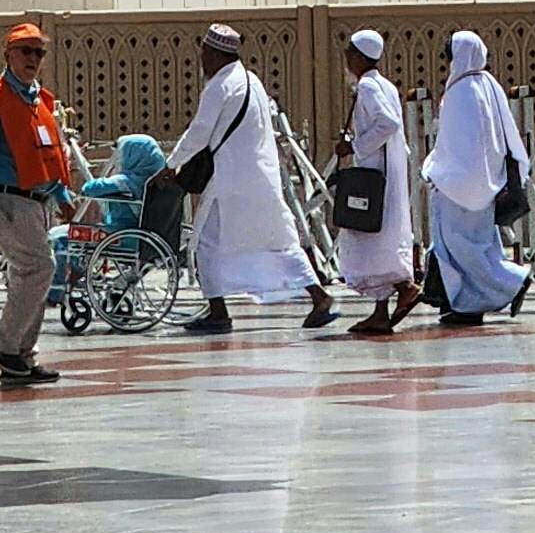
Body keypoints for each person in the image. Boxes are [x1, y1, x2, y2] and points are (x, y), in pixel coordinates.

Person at [166, 24, 333, 335]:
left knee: (205, 242)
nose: (202, 59)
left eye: (204, 53)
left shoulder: (219, 86)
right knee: (280, 241)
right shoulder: (251, 80)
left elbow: (199, 132)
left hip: (230, 182)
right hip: (262, 180)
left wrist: (171, 164)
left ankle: (218, 313)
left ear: (216, 54)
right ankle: (318, 296)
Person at [0, 17, 76, 386]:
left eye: (39, 53)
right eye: (25, 51)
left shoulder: (40, 99)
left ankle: (21, 357)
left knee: (32, 276)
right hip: (9, 200)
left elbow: (46, 155)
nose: (33, 59)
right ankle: (4, 343)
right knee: (39, 268)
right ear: (8, 54)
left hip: (38, 201)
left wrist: (61, 195)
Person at [423, 31, 533, 325]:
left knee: (460, 245)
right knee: (477, 244)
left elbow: (454, 145)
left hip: (459, 186)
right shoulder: (489, 85)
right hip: (486, 183)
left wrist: (434, 170)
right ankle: (467, 304)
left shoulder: (460, 92)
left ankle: (512, 280)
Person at [333, 29, 419, 336]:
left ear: (359, 56)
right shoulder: (385, 85)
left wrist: (354, 146)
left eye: (349, 53)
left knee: (370, 235)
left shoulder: (368, 86)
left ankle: (406, 287)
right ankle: (380, 313)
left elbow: (388, 123)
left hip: (373, 177)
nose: (346, 59)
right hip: (384, 173)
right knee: (377, 238)